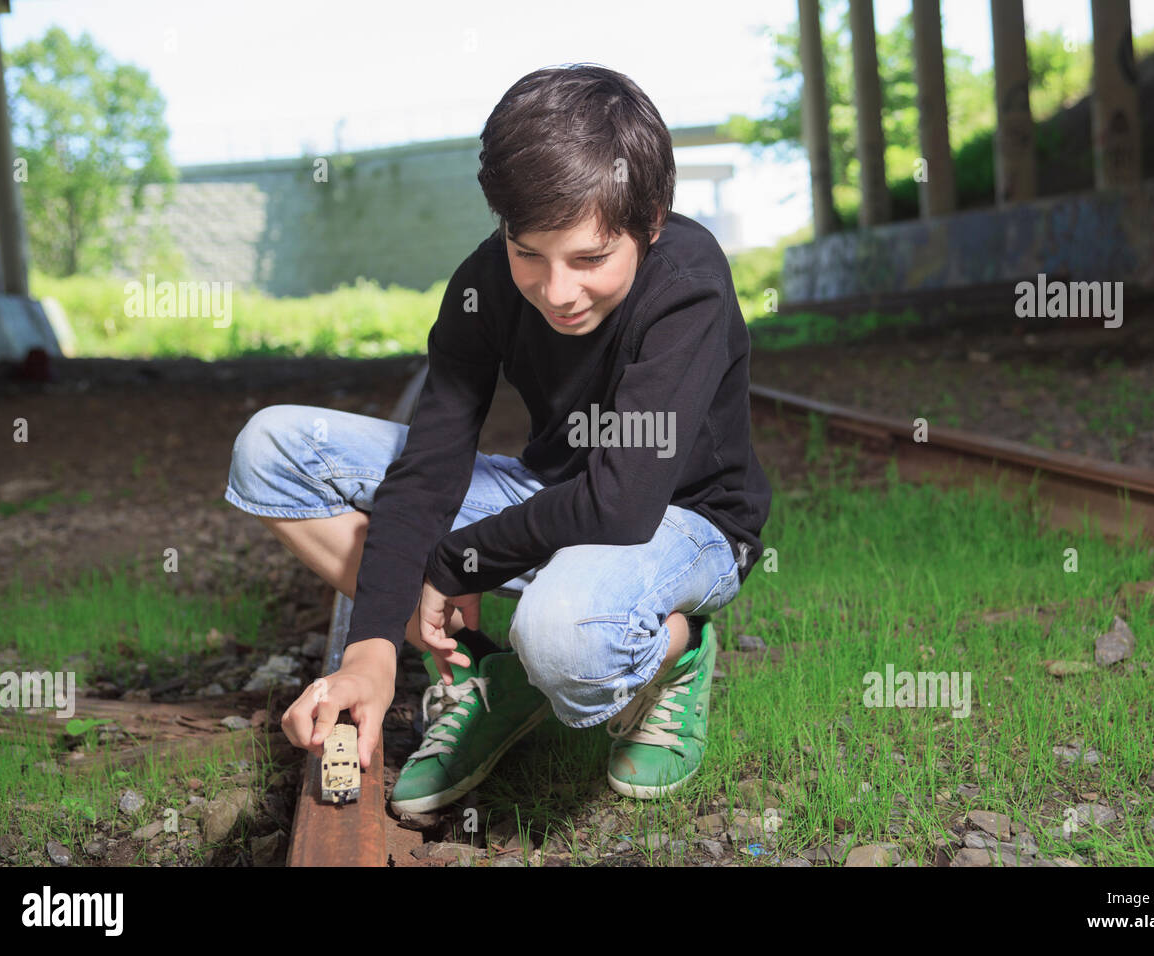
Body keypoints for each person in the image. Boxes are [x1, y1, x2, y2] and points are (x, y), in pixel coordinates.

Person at [225, 63, 772, 814]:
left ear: (649, 222)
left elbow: (621, 504)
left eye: (589, 259)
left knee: (564, 637)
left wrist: (456, 562)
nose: (557, 291)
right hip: (553, 495)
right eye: (528, 255)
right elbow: (427, 470)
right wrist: (371, 651)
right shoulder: (481, 286)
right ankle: (486, 673)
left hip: (687, 523)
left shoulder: (689, 280)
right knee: (272, 449)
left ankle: (676, 652)